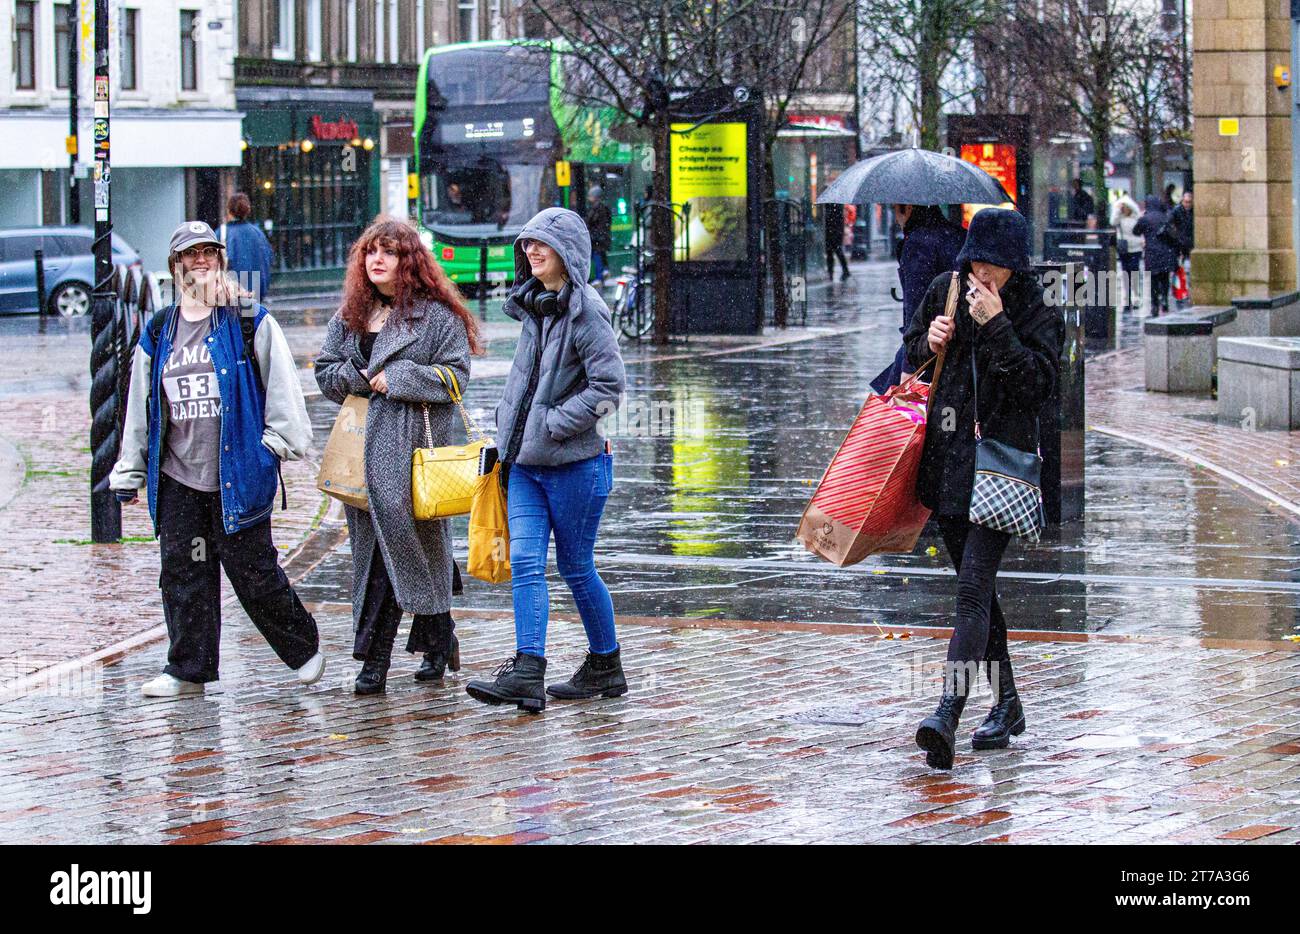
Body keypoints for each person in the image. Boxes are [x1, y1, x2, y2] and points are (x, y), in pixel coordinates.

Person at [109, 221, 323, 697]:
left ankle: (303, 648)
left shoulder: (248, 318)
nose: (200, 260)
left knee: (254, 573)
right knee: (184, 574)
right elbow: (140, 404)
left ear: (222, 260)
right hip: (178, 474)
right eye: (191, 254)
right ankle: (188, 670)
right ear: (175, 266)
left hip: (237, 471)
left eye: (209, 251)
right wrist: (130, 467)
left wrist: (274, 447)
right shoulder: (160, 329)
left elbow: (284, 388)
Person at [902, 208, 1063, 770]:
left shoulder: (1034, 310)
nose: (981, 274)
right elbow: (908, 361)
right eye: (975, 261)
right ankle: (1010, 705)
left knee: (972, 590)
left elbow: (1038, 387)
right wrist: (929, 340)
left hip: (1002, 468)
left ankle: (948, 711)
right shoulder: (945, 289)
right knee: (982, 595)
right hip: (946, 466)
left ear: (1014, 266)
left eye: (992, 265)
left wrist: (997, 325)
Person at [466, 207, 626, 714]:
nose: (531, 252)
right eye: (527, 245)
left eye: (543, 245)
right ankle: (528, 671)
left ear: (569, 253)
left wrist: (553, 425)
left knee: (576, 567)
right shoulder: (535, 307)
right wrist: (508, 429)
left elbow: (611, 389)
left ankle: (607, 663)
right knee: (528, 563)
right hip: (525, 465)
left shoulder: (587, 313)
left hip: (577, 466)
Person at [315, 218, 483, 694]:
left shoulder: (436, 317)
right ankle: (422, 641)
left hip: (413, 449)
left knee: (410, 544)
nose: (377, 260)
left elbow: (456, 378)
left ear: (408, 260)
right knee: (379, 553)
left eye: (388, 251)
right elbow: (325, 371)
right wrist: (358, 376)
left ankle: (391, 655)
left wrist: (404, 377)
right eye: (370, 251)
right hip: (360, 455)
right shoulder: (351, 314)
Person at [871, 204, 965, 395]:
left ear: (909, 207)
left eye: (895, 208)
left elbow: (914, 310)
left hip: (929, 345)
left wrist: (908, 367)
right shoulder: (959, 234)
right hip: (958, 342)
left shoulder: (918, 243)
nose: (896, 217)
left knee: (900, 415)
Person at [220, 192, 274, 303]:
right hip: (255, 293)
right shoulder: (258, 233)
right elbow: (267, 260)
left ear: (229, 211)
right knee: (249, 319)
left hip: (230, 294)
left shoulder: (222, 233)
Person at [1133, 194, 1179, 317]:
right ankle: (1164, 299)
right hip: (1166, 252)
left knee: (1153, 280)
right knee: (1164, 278)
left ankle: (1155, 304)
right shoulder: (1165, 217)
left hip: (1152, 253)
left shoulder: (1145, 219)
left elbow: (1136, 231)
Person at [1109, 194, 1143, 312]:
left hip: (1136, 248)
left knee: (1134, 274)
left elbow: (1141, 228)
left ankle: (1135, 298)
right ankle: (1127, 300)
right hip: (1124, 249)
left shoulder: (1136, 217)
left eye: (1125, 207)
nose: (1124, 209)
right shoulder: (1119, 218)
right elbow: (1112, 221)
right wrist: (1117, 209)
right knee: (1125, 275)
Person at [1170, 189, 1194, 310]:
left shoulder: (1193, 212)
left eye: (1189, 202)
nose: (1187, 204)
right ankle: (1179, 293)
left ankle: (1186, 293)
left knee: (1188, 270)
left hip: (1189, 244)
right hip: (1180, 245)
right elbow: (1170, 225)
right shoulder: (1176, 211)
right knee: (1179, 271)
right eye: (1185, 202)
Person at [585, 186, 612, 284]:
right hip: (598, 239)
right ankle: (603, 273)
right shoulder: (599, 208)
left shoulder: (599, 209)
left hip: (598, 240)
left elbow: (599, 225)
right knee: (598, 256)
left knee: (597, 257)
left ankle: (599, 277)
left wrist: (595, 236)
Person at [824, 201, 850, 281]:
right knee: (832, 252)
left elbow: (835, 218)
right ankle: (832, 272)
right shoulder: (835, 204)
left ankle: (840, 271)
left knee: (835, 251)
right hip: (832, 230)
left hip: (834, 231)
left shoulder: (835, 205)